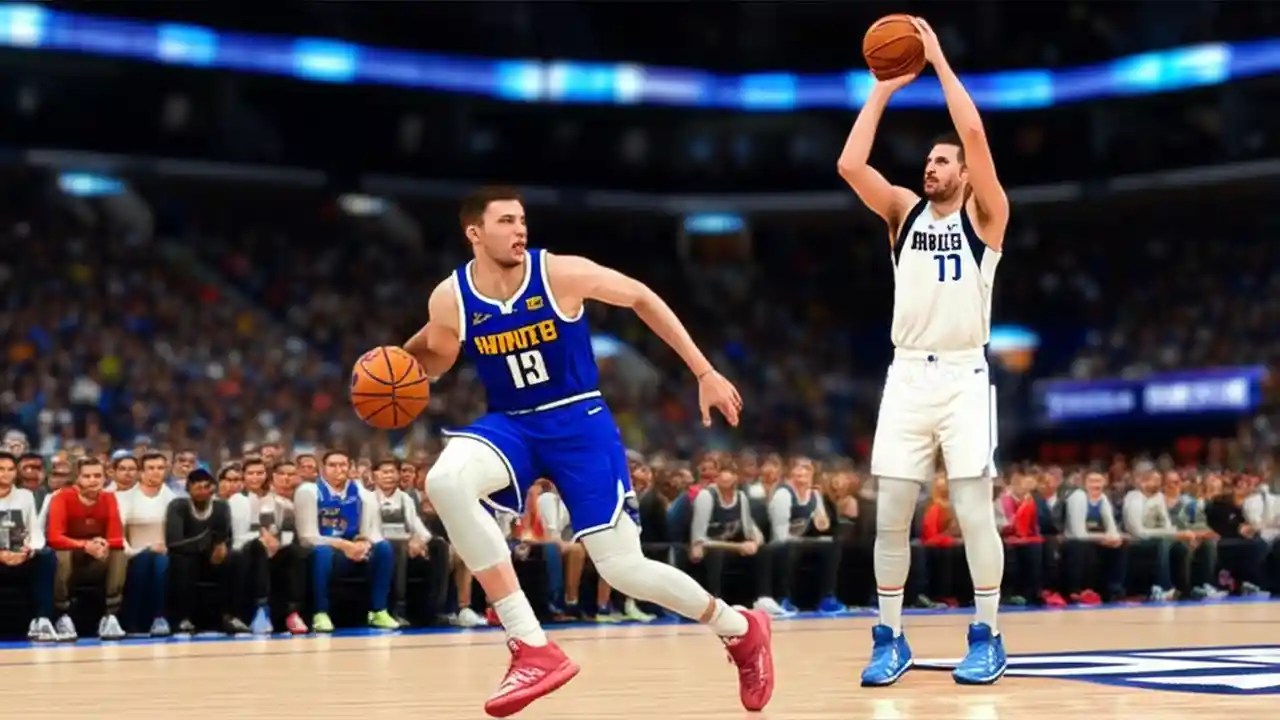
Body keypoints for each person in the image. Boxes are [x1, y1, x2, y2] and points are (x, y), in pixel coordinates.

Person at [403, 186, 773, 718]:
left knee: (624, 569)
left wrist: (704, 371)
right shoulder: (450, 297)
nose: (519, 228)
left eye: (522, 219)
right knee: (445, 481)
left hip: (578, 421)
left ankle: (740, 629)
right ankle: (531, 645)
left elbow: (641, 296)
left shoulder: (559, 273)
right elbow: (437, 354)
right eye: (506, 221)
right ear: (474, 233)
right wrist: (397, 364)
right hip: (512, 423)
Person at [836, 17, 1011, 686]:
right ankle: (890, 638)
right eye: (929, 161)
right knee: (890, 517)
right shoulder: (902, 212)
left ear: (964, 173)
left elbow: (974, 133)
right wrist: (883, 87)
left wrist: (937, 61)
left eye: (942, 161)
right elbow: (850, 165)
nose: (930, 167)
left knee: (972, 513)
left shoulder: (986, 217)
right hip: (907, 375)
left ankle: (987, 635)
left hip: (965, 376)